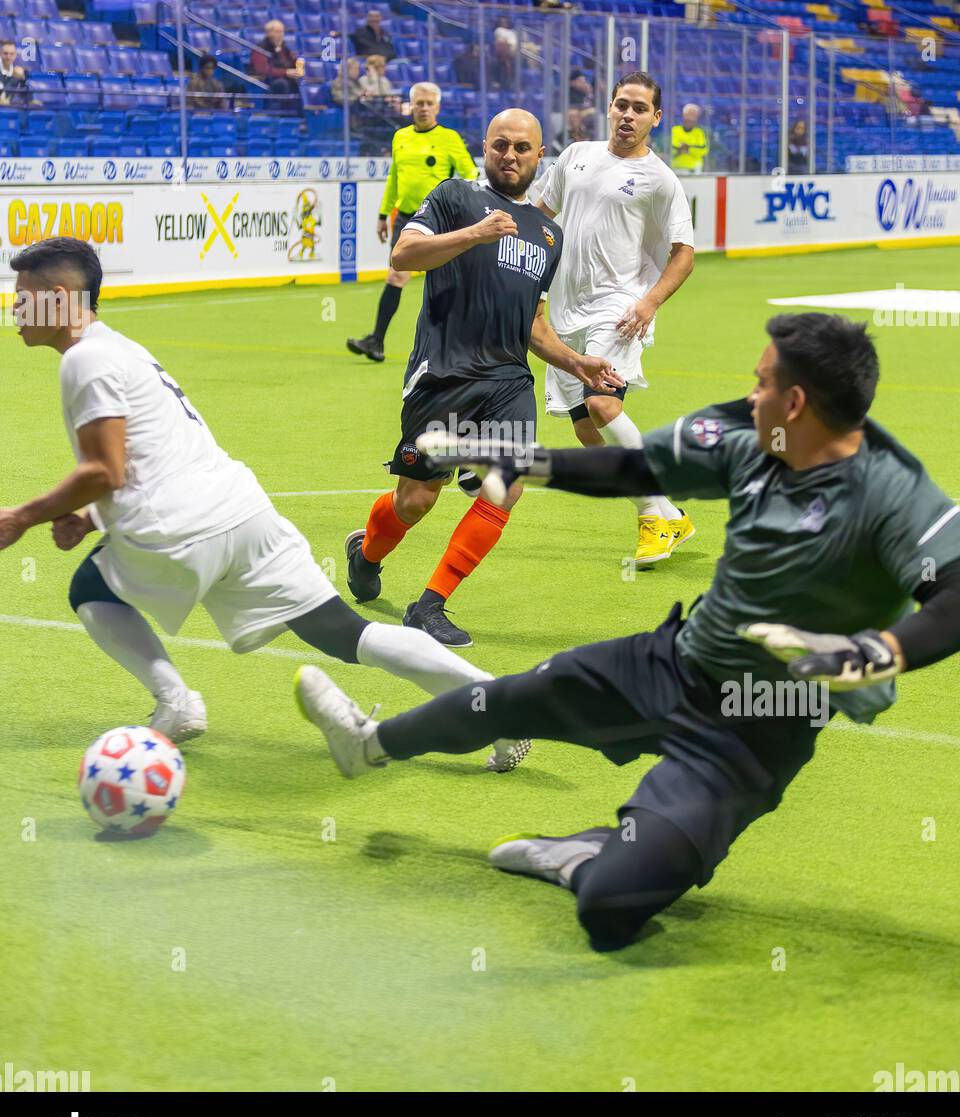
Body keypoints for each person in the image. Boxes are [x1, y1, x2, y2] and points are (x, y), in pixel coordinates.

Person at [295, 313, 960, 953]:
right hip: (676, 662)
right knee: (507, 700)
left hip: (757, 733)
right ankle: (367, 745)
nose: (747, 394)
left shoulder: (891, 493)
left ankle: (587, 854)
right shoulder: (756, 437)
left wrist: (879, 653)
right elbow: (636, 470)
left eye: (761, 384)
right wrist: (524, 461)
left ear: (795, 403)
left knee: (611, 910)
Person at [0, 238, 528, 775]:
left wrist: (22, 517)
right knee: (349, 635)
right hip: (241, 511)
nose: (14, 308)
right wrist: (89, 514)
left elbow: (104, 471)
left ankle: (176, 702)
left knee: (90, 589)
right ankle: (497, 706)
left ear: (60, 297)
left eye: (23, 297)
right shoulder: (121, 348)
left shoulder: (84, 360)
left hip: (179, 528)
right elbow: (154, 451)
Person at [342, 108, 623, 649]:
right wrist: (475, 232)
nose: (511, 155)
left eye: (522, 148)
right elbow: (404, 252)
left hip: (507, 380)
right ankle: (367, 551)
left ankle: (430, 605)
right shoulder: (454, 198)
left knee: (509, 481)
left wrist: (576, 363)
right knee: (417, 501)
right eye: (501, 145)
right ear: (485, 148)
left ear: (541, 157)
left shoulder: (548, 235)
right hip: (442, 374)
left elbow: (534, 326)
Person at [535, 71, 696, 564]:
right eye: (621, 104)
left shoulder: (660, 179)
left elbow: (684, 253)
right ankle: (671, 515)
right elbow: (541, 214)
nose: (628, 114)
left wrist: (648, 303)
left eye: (640, 108)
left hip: (619, 307)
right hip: (564, 310)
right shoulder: (576, 155)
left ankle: (650, 516)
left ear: (656, 117)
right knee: (586, 429)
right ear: (609, 108)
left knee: (604, 406)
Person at [346, 81, 476, 364]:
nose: (424, 108)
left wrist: (463, 208)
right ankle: (377, 341)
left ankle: (455, 347)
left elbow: (470, 174)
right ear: (411, 106)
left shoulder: (450, 138)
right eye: (419, 103)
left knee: (445, 284)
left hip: (440, 219)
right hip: (406, 218)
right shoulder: (400, 137)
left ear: (438, 107)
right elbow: (394, 177)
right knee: (395, 275)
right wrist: (383, 214)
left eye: (429, 104)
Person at [250, 19, 305, 109]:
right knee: (282, 84)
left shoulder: (284, 48)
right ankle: (285, 113)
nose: (280, 35)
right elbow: (262, 70)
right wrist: (285, 72)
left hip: (286, 79)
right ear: (268, 33)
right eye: (277, 32)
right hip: (268, 81)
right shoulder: (260, 49)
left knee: (300, 83)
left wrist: (298, 65)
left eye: (281, 32)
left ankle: (300, 114)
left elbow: (293, 62)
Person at [670, 102, 709, 173]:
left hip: (695, 170)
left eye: (694, 115)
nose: (691, 118)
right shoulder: (675, 130)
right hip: (676, 169)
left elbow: (703, 151)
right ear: (683, 115)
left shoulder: (699, 132)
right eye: (689, 114)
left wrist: (687, 148)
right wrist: (686, 148)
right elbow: (671, 149)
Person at [0, 39, 29, 106]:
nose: (8, 57)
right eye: (5, 53)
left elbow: (24, 94)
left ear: (15, 55)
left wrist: (22, 79)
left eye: (11, 54)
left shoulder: (18, 72)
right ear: (0, 54)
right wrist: (15, 79)